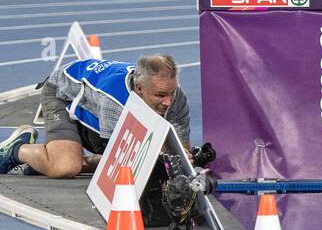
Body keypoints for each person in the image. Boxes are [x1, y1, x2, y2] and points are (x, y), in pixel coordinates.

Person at [0, 55, 189, 179]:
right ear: (139, 88)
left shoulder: (175, 96)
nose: (168, 102)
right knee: (65, 168)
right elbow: (117, 158)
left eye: (171, 93)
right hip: (60, 93)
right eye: (160, 96)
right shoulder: (113, 100)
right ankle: (16, 150)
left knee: (155, 161)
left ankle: (45, 160)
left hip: (92, 96)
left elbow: (181, 149)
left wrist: (185, 157)